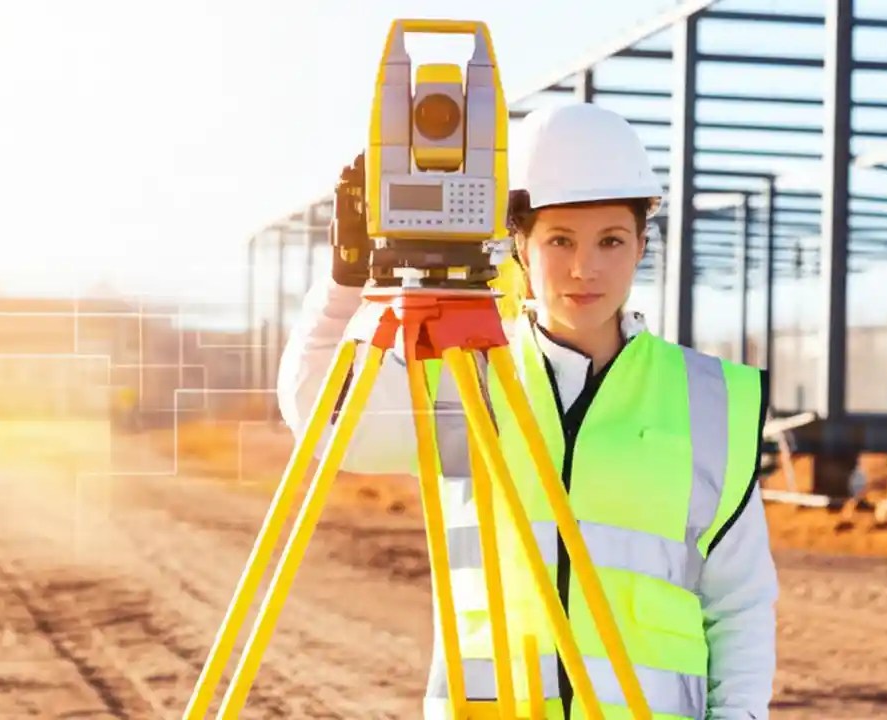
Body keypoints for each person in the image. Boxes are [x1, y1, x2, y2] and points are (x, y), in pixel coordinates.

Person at [276, 102, 777, 720]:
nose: (584, 268)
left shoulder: (709, 398)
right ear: (519, 244)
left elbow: (740, 603)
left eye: (611, 241)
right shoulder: (465, 376)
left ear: (643, 244)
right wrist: (344, 283)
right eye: (559, 240)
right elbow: (324, 419)